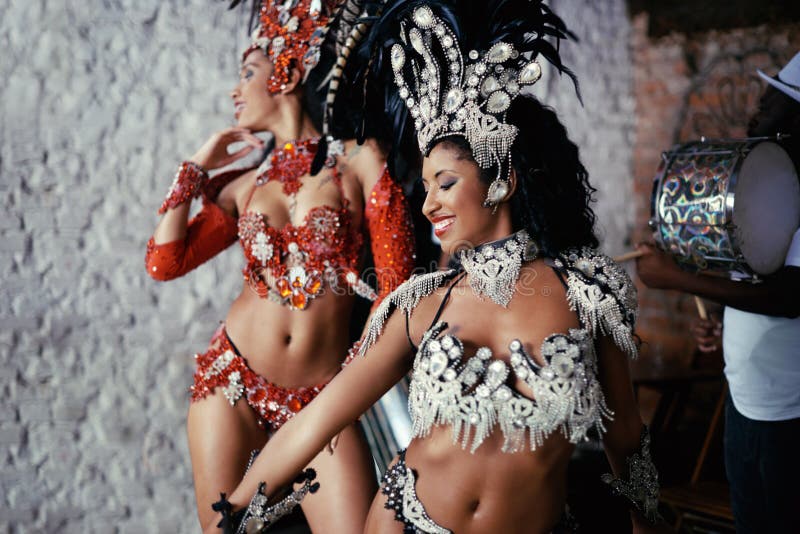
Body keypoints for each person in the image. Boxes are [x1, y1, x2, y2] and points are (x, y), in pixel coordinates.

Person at [205, 2, 669, 532]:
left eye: (445, 183)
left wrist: (647, 521)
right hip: (403, 522)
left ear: (502, 180)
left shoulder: (588, 293)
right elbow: (317, 418)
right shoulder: (423, 302)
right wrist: (237, 506)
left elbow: (626, 436)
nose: (428, 205)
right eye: (426, 187)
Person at [144, 0, 416, 530]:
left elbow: (397, 292)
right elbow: (165, 261)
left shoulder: (361, 160)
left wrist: (351, 382)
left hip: (320, 403)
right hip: (232, 382)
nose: (234, 90)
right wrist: (196, 167)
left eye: (248, 72)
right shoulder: (245, 186)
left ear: (287, 72)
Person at [636, 51, 800, 534]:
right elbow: (762, 284)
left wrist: (677, 277)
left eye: (779, 105)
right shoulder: (777, 192)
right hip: (746, 402)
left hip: (789, 415)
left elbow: (790, 298)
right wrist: (725, 324)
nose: (763, 113)